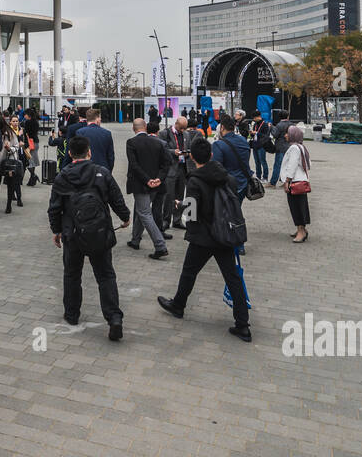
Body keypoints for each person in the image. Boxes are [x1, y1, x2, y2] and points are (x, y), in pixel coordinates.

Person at [157, 137, 252, 341]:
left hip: (203, 237)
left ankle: (178, 305)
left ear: (192, 157)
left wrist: (181, 207)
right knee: (233, 278)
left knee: (189, 272)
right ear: (210, 155)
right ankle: (243, 324)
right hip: (224, 235)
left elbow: (191, 214)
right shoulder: (227, 177)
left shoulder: (195, 180)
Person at [47, 135, 132, 340]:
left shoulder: (63, 177)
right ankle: (114, 318)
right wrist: (125, 216)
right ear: (89, 152)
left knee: (72, 274)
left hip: (72, 233)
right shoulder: (101, 172)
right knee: (105, 275)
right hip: (99, 232)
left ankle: (72, 314)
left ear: (69, 154)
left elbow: (54, 208)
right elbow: (116, 198)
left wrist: (56, 230)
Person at [125, 117, 171, 259]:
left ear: (134, 128)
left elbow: (134, 165)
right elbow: (167, 163)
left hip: (141, 184)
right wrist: (158, 179)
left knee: (144, 213)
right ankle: (135, 240)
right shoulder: (159, 143)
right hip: (156, 185)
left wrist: (147, 180)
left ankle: (160, 246)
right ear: (145, 127)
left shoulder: (131, 143)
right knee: (141, 210)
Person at [213, 114, 257, 200]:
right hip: (243, 183)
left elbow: (216, 168)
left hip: (227, 186)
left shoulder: (218, 145)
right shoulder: (243, 140)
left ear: (222, 127)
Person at [280, 124, 312, 243]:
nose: (285, 135)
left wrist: (287, 181)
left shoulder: (294, 148)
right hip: (300, 180)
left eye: (288, 133)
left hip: (295, 182)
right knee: (301, 207)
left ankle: (301, 231)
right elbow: (309, 164)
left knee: (296, 208)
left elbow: (292, 165)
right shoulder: (301, 147)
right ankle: (301, 229)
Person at [0, 115, 25, 214]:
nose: (15, 123)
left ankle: (18, 198)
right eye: (13, 121)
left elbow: (23, 143)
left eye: (17, 121)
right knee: (11, 182)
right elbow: (13, 147)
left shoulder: (21, 130)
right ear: (10, 122)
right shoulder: (8, 133)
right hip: (10, 160)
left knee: (17, 181)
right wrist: (15, 146)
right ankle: (10, 203)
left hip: (20, 157)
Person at [76, 107, 114, 172]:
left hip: (85, 169)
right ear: (97, 119)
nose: (100, 119)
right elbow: (110, 156)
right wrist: (108, 171)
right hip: (103, 169)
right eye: (100, 117)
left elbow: (78, 153)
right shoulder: (107, 133)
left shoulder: (80, 132)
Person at [268, 111, 293, 187]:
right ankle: (286, 182)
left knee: (278, 165)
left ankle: (273, 182)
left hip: (280, 146)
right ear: (287, 116)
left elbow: (275, 135)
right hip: (289, 146)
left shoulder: (279, 125)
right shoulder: (291, 124)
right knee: (288, 165)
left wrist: (271, 127)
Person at [250, 111, 273, 182]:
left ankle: (265, 177)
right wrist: (252, 133)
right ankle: (258, 176)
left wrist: (256, 133)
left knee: (263, 161)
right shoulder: (255, 125)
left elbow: (266, 136)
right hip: (255, 145)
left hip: (262, 146)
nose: (253, 119)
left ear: (258, 117)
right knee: (257, 162)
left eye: (254, 118)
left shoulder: (265, 124)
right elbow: (253, 135)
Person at [23, 108, 41, 186]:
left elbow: (26, 133)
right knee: (32, 161)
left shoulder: (27, 122)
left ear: (28, 115)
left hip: (30, 143)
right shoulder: (36, 122)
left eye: (25, 114)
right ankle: (32, 179)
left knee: (28, 161)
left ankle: (33, 176)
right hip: (35, 142)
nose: (24, 116)